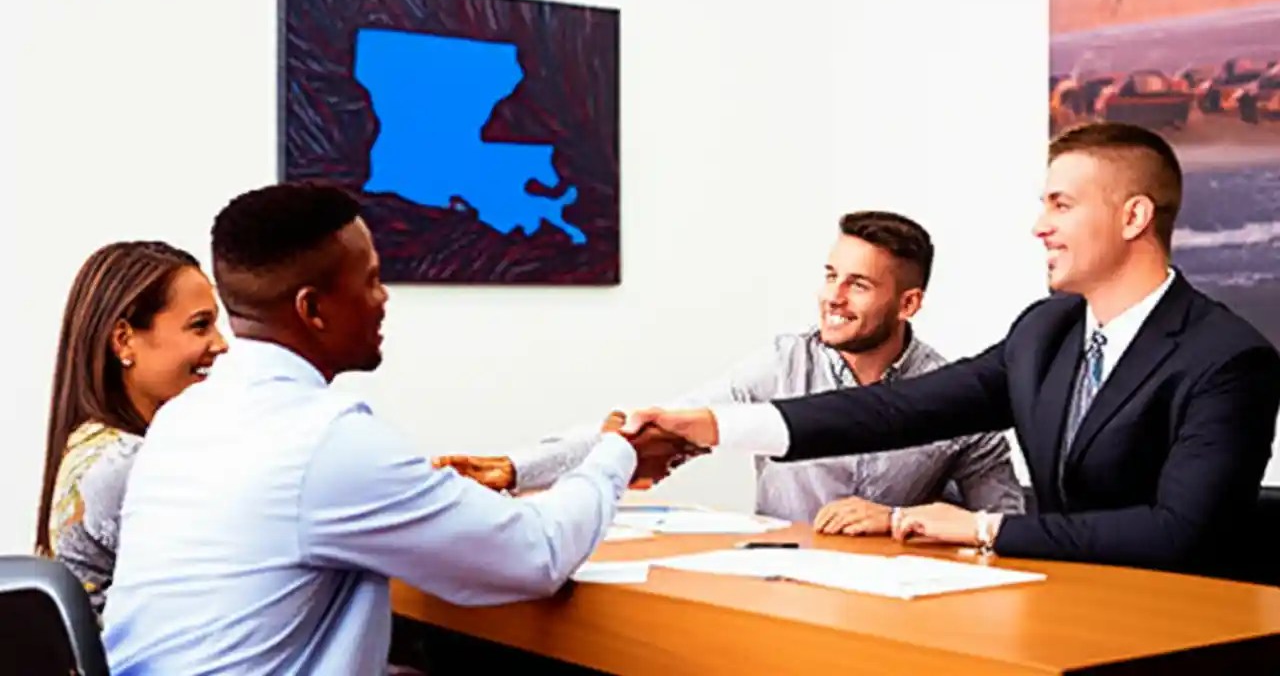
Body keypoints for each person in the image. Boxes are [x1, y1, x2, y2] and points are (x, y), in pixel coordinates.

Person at [624, 122, 1280, 578]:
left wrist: (981, 527)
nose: (1040, 226)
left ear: (1134, 217)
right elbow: (895, 410)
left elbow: (1178, 533)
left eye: (1061, 205)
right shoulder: (1046, 331)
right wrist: (710, 426)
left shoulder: (1227, 359)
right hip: (1067, 606)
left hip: (1184, 629)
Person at [101, 183, 684, 675]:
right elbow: (537, 555)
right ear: (312, 310)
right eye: (372, 281)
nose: (383, 300)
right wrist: (618, 454)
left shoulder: (183, 418)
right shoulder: (324, 441)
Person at [435, 211, 1023, 534]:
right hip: (779, 589)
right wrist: (513, 469)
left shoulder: (956, 397)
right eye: (829, 275)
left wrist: (897, 519)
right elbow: (656, 427)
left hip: (904, 609)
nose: (833, 297)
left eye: (858, 284)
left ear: (908, 303)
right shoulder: (782, 364)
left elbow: (1004, 527)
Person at [34, 240, 228, 617]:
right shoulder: (126, 464)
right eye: (200, 326)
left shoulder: (93, 445)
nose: (220, 344)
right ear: (124, 340)